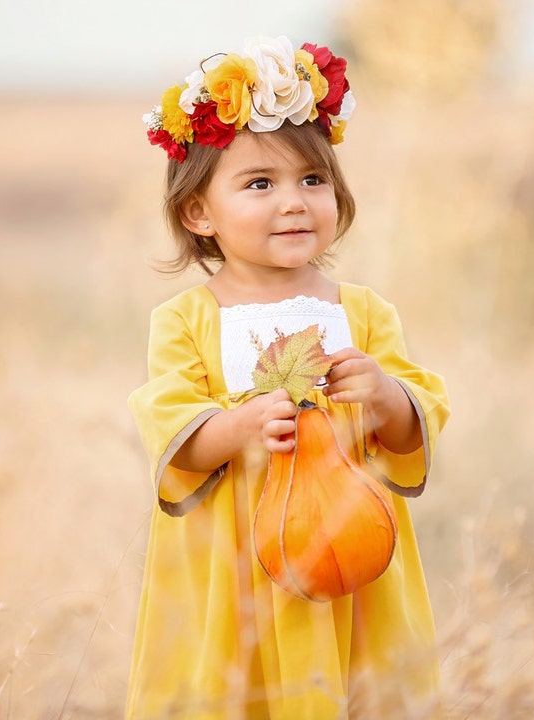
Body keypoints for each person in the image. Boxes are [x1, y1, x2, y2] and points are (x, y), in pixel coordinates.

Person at [126, 35, 450, 719]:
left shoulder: (361, 312)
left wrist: (386, 396)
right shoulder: (188, 320)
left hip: (347, 549)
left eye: (312, 180)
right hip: (232, 567)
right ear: (199, 212)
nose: (296, 202)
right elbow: (170, 427)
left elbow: (414, 421)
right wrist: (235, 427)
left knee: (359, 688)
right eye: (260, 185)